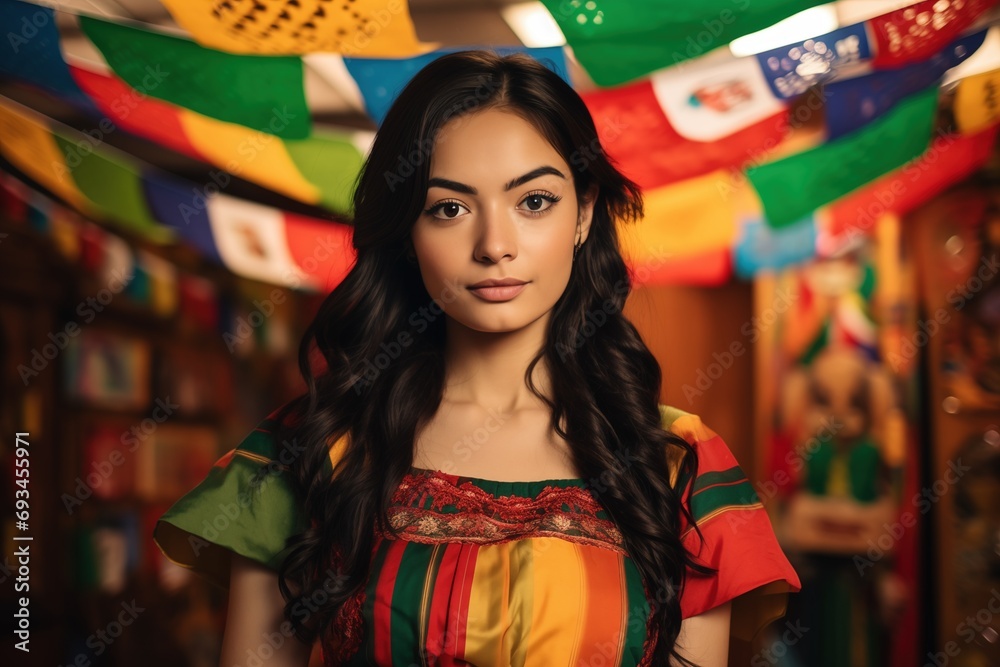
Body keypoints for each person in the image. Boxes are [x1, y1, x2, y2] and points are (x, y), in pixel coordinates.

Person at [153, 49, 801, 667]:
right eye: (450, 208)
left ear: (583, 215)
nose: (495, 244)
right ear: (407, 233)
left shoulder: (677, 464)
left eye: (534, 201)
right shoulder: (312, 450)